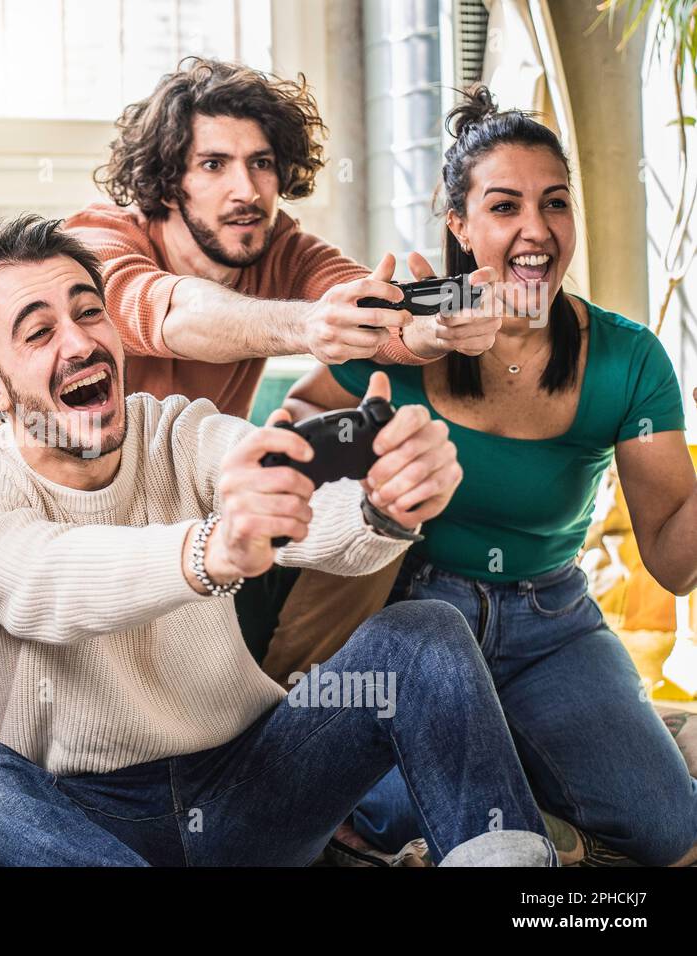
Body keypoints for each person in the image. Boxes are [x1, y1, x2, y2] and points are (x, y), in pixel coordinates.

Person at [0, 213, 555, 866]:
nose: (79, 343)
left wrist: (383, 505)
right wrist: (212, 551)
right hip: (91, 819)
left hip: (256, 785)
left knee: (425, 635)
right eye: (39, 332)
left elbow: (301, 494)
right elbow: (46, 582)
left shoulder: (177, 432)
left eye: (89, 313)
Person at [286, 86, 697, 866]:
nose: (536, 231)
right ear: (459, 225)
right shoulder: (399, 332)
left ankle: (535, 751)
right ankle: (518, 779)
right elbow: (294, 438)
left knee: (664, 827)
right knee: (406, 815)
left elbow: (676, 566)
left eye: (555, 204)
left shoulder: (628, 357)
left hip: (554, 621)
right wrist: (358, 442)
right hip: (417, 617)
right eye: (504, 207)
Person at [64, 57, 501, 673]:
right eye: (214, 165)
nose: (247, 191)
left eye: (261, 163)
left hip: (212, 496)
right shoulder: (99, 240)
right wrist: (305, 323)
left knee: (384, 503)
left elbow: (368, 309)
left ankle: (296, 700)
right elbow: (167, 314)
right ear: (167, 182)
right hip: (87, 501)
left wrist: (434, 331)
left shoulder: (284, 248)